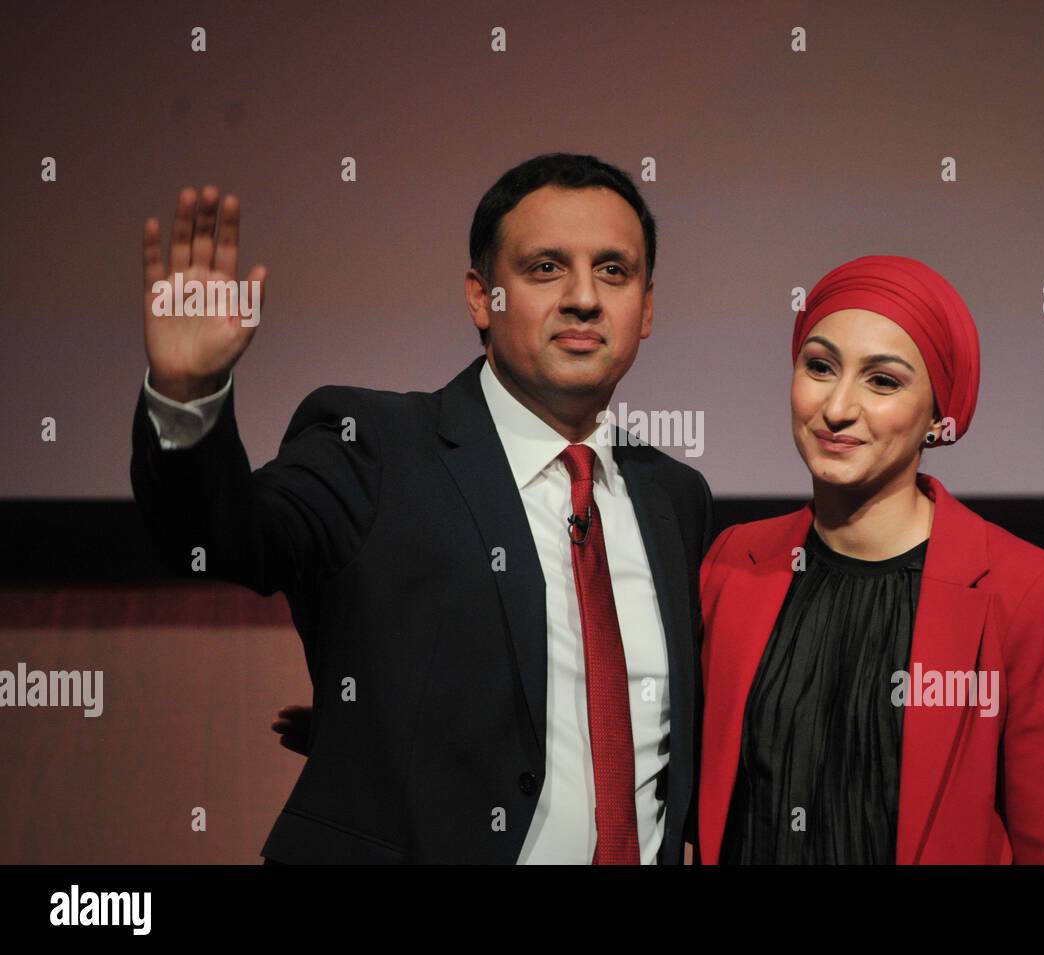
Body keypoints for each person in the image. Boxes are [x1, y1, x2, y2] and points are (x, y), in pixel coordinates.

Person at [131, 153, 712, 864]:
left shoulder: (675, 498)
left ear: (646, 307)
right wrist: (186, 396)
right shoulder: (374, 445)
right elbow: (221, 537)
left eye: (614, 271)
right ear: (481, 297)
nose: (585, 297)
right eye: (546, 268)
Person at [695, 255, 1044, 864]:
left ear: (938, 419)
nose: (837, 407)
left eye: (882, 381)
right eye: (819, 367)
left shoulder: (1035, 595)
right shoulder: (734, 562)